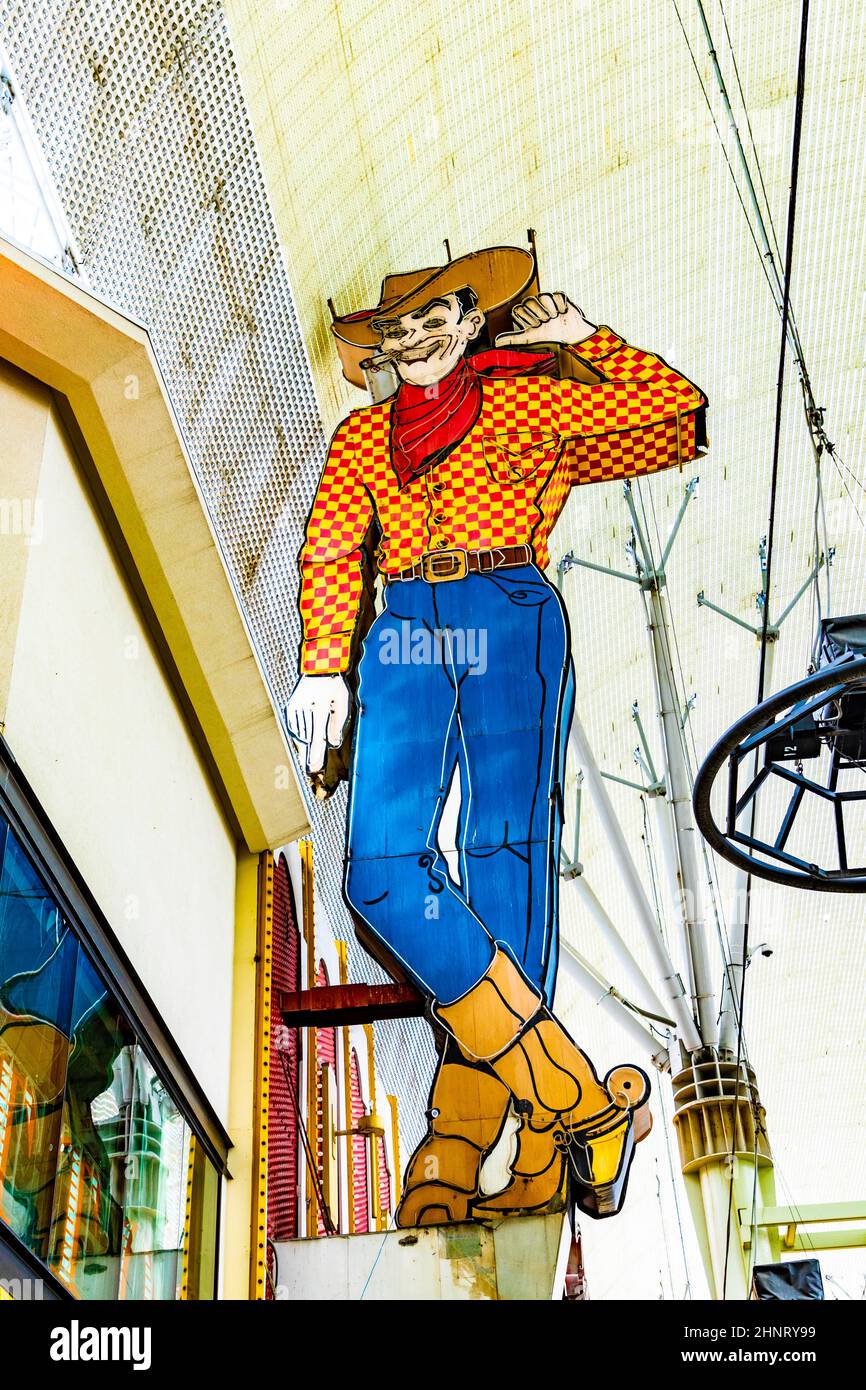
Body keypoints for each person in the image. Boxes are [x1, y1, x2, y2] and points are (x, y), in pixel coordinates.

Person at [287, 246, 707, 1225]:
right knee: (380, 872)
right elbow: (333, 545)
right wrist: (319, 663)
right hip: (401, 629)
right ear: (383, 347)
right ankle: (568, 1101)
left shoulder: (533, 402)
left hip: (508, 606)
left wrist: (582, 342)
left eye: (435, 319)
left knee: (500, 862)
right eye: (397, 329)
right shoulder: (361, 441)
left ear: (475, 323)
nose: (415, 340)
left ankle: (465, 1142)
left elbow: (672, 420)